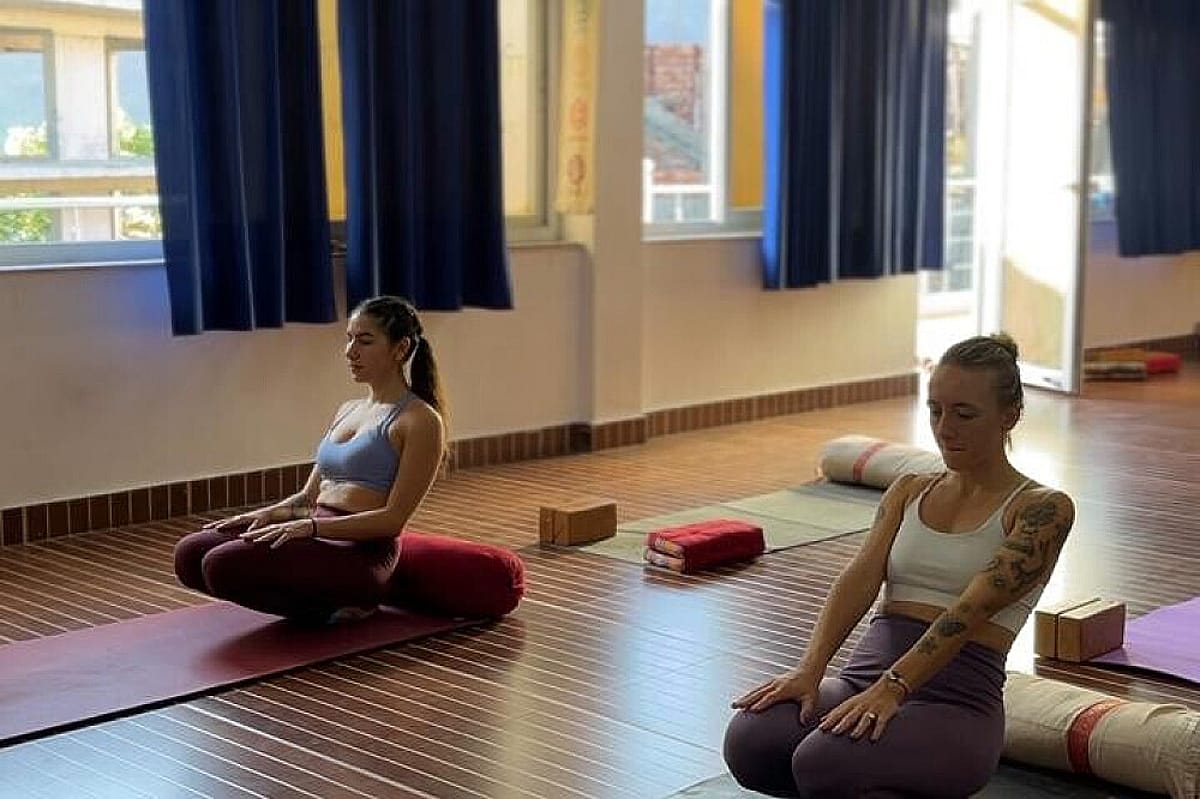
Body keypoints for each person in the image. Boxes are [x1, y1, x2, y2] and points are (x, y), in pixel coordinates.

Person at [723, 333, 1076, 798]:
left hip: (956, 705)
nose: (945, 428)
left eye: (964, 414)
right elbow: (859, 579)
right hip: (862, 679)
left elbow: (969, 610)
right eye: (935, 410)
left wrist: (894, 686)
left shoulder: (1042, 509)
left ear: (1009, 415)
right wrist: (810, 670)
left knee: (823, 761)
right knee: (752, 739)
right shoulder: (909, 490)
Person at [173, 295, 447, 623]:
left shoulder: (420, 420)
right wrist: (265, 514)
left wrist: (311, 527)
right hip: (317, 531)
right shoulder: (348, 410)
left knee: (220, 566)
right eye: (349, 339)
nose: (350, 352)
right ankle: (321, 600)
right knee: (190, 553)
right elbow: (307, 498)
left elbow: (393, 520)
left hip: (361, 551)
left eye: (365, 341)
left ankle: (351, 602)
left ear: (400, 349)